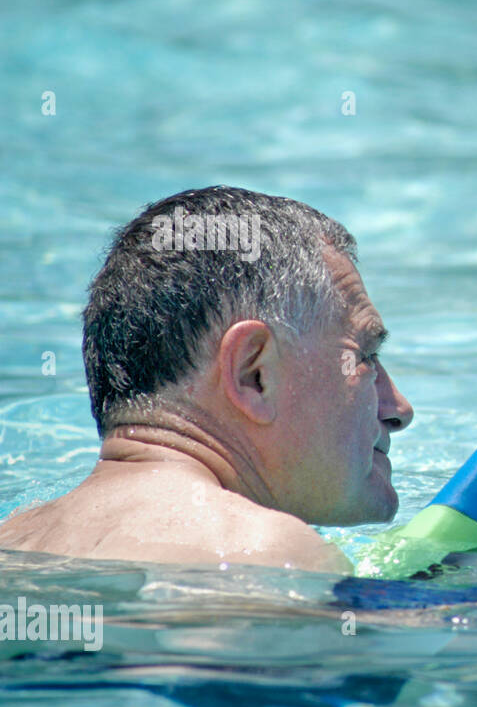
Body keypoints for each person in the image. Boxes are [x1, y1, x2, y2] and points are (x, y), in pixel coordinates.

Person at [0, 186, 413, 571]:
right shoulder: (264, 553)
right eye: (366, 356)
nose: (399, 409)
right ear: (254, 374)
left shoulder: (14, 541)